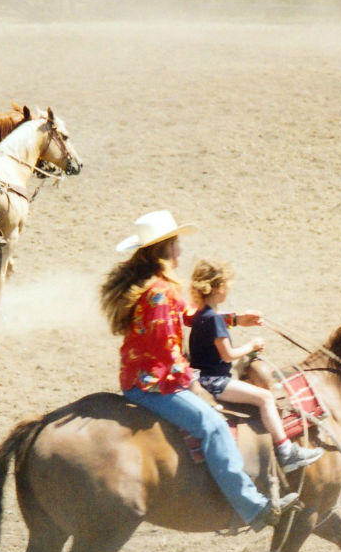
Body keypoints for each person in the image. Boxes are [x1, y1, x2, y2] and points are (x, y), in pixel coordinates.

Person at [100, 211, 301, 532]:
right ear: (165, 249)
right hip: (154, 383)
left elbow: (189, 315)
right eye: (176, 244)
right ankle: (252, 506)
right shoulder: (161, 292)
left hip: (141, 376)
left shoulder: (156, 286)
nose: (180, 250)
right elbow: (165, 348)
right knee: (213, 425)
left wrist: (235, 319)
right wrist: (191, 381)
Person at [188, 260, 326, 473]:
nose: (230, 287)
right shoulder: (215, 319)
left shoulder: (201, 315)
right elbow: (227, 355)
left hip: (203, 378)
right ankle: (286, 451)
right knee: (265, 398)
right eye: (228, 283)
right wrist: (251, 346)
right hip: (215, 381)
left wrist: (239, 320)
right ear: (219, 288)